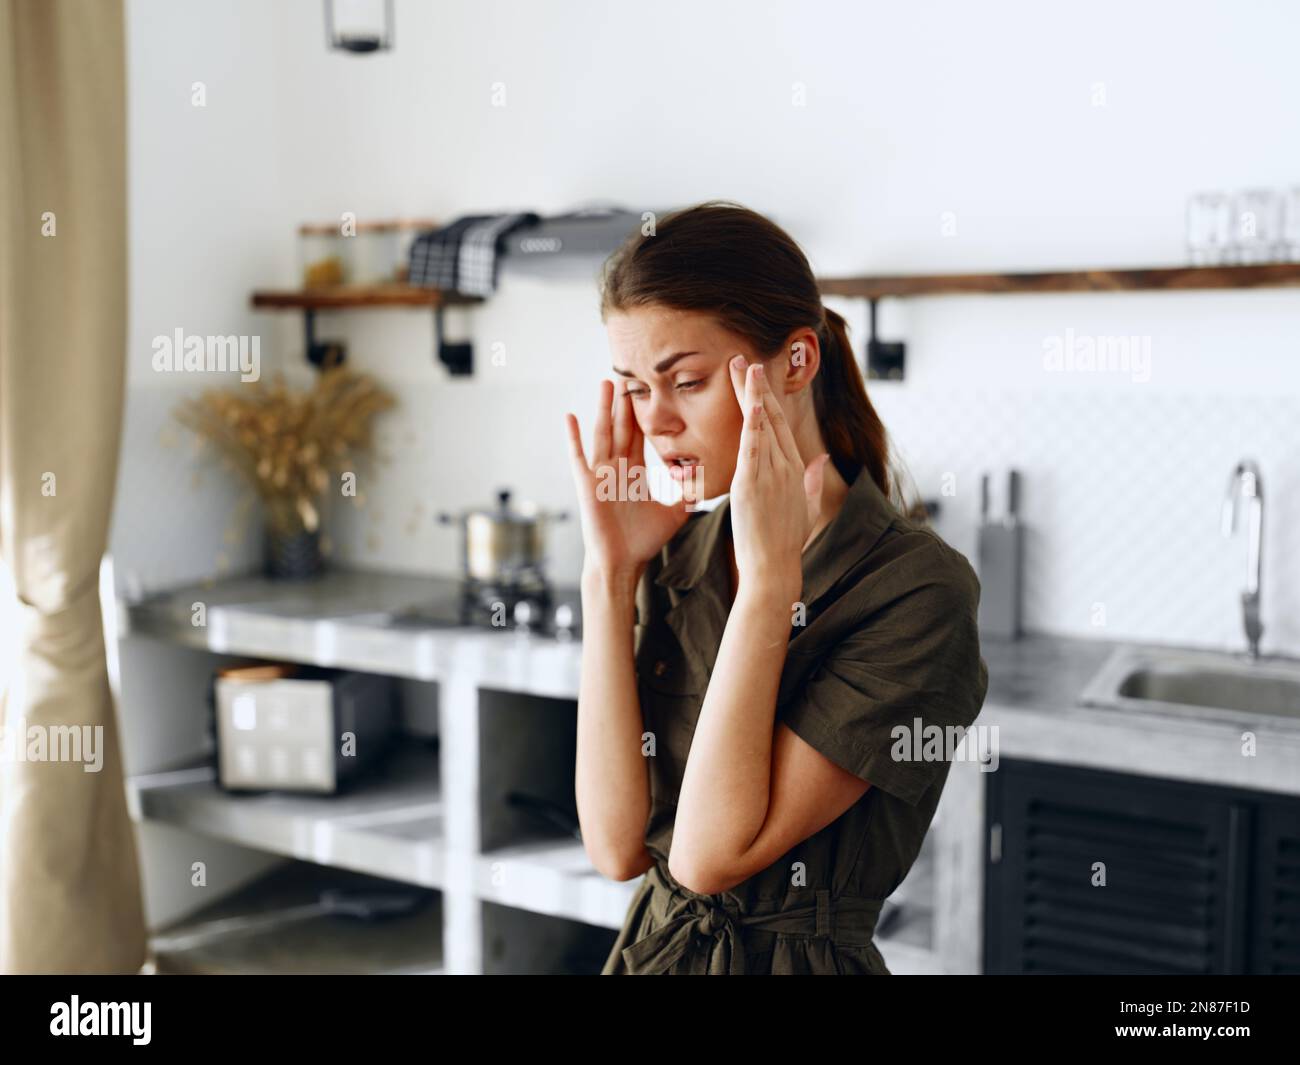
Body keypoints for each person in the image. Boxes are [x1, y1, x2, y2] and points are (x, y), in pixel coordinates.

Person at [564, 201, 989, 975]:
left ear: (795, 361)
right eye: (632, 388)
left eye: (684, 381)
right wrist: (609, 573)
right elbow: (616, 844)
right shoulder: (675, 558)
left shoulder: (918, 591)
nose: (655, 422)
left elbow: (706, 856)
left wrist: (767, 584)